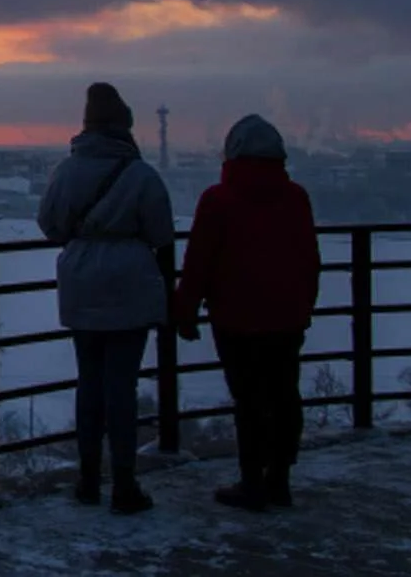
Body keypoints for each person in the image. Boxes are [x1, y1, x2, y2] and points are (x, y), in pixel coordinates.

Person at [38, 82, 175, 515]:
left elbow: (50, 224)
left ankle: (87, 479)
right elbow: (162, 233)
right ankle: (125, 483)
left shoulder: (65, 171)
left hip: (81, 284)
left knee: (88, 384)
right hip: (131, 288)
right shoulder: (141, 175)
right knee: (122, 387)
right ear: (126, 128)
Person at [173, 114, 320, 512]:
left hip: (235, 317)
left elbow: (199, 261)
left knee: (249, 400)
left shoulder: (218, 200)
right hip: (287, 316)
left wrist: (184, 311)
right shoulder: (296, 198)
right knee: (285, 394)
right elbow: (309, 258)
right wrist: (305, 305)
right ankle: (280, 479)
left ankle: (252, 481)